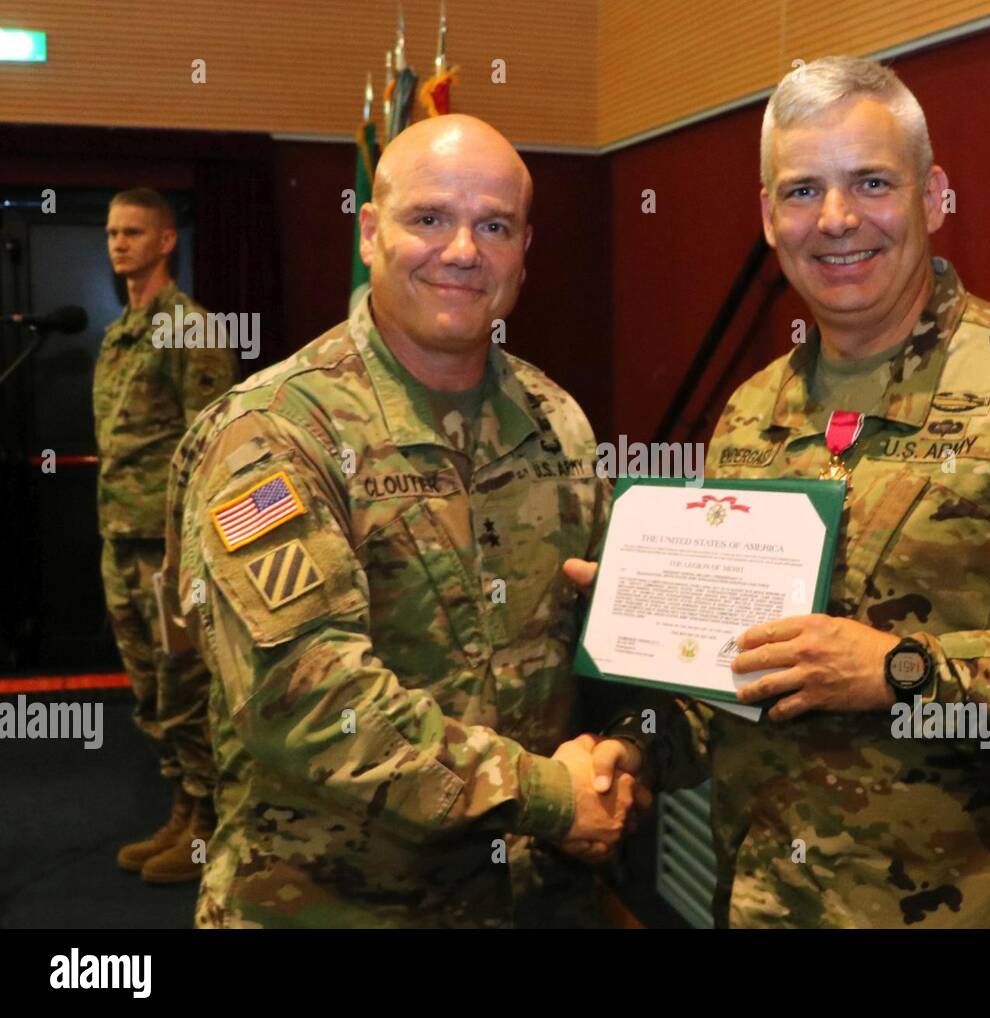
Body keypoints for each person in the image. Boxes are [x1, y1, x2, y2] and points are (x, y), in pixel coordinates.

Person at [599, 55, 990, 928]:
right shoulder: (750, 414)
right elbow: (738, 682)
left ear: (932, 198)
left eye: (871, 182)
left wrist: (904, 673)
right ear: (769, 219)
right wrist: (640, 726)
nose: (838, 219)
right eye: (803, 190)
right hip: (761, 906)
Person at [179, 115, 642, 928]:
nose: (462, 250)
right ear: (369, 232)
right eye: (429, 218)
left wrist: (619, 757)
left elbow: (608, 640)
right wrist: (546, 794)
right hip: (332, 906)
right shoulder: (275, 431)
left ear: (524, 250)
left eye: (494, 226)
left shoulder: (555, 420)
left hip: (532, 901)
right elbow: (308, 700)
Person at [97, 188, 237, 882]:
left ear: (166, 241)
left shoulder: (193, 329)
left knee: (187, 688)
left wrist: (190, 555)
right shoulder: (121, 331)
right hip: (120, 538)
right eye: (112, 233)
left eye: (133, 232)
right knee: (150, 691)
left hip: (168, 546)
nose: (119, 244)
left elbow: (209, 444)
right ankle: (183, 810)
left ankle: (210, 827)